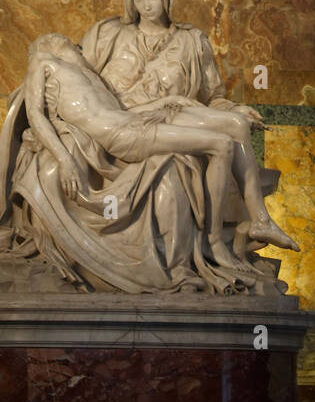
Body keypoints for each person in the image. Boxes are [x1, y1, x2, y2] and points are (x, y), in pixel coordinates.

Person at [26, 33, 298, 258]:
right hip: (123, 136)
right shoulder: (43, 61)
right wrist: (64, 159)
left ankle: (262, 220)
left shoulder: (91, 78)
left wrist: (168, 102)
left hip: (134, 122)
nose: (80, 47)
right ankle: (214, 243)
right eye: (72, 44)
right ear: (54, 44)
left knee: (236, 125)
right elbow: (35, 114)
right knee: (221, 144)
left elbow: (121, 110)